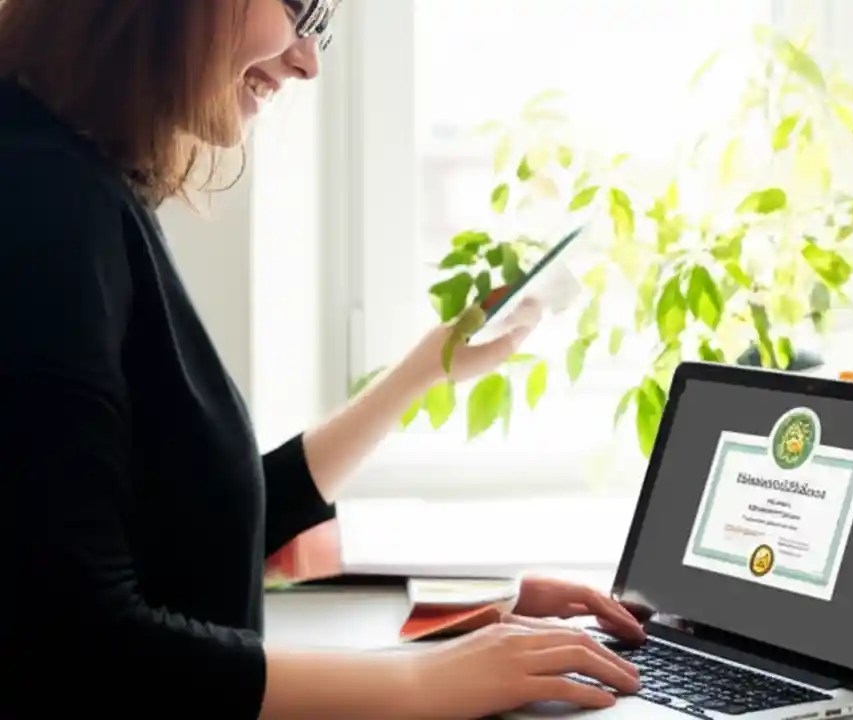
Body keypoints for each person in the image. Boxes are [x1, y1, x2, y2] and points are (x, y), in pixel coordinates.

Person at [0, 1, 645, 717]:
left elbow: (194, 527)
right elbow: (78, 646)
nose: (308, 62)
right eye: (300, 9)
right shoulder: (39, 201)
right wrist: (428, 680)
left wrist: (422, 374)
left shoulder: (73, 179)